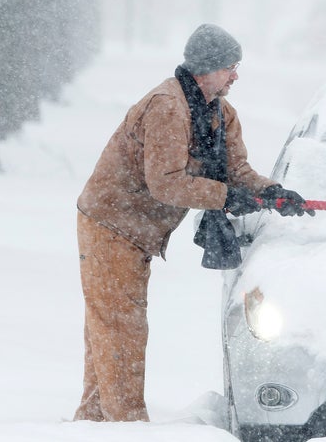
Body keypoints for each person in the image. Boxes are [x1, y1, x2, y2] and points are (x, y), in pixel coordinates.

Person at [73, 23, 311, 422]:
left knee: (110, 322)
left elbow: (236, 171)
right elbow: (166, 183)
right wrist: (226, 197)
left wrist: (273, 193)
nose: (236, 76)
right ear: (206, 68)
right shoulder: (168, 107)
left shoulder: (220, 112)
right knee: (120, 325)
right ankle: (126, 424)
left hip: (137, 229)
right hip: (112, 223)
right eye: (230, 67)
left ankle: (95, 419)